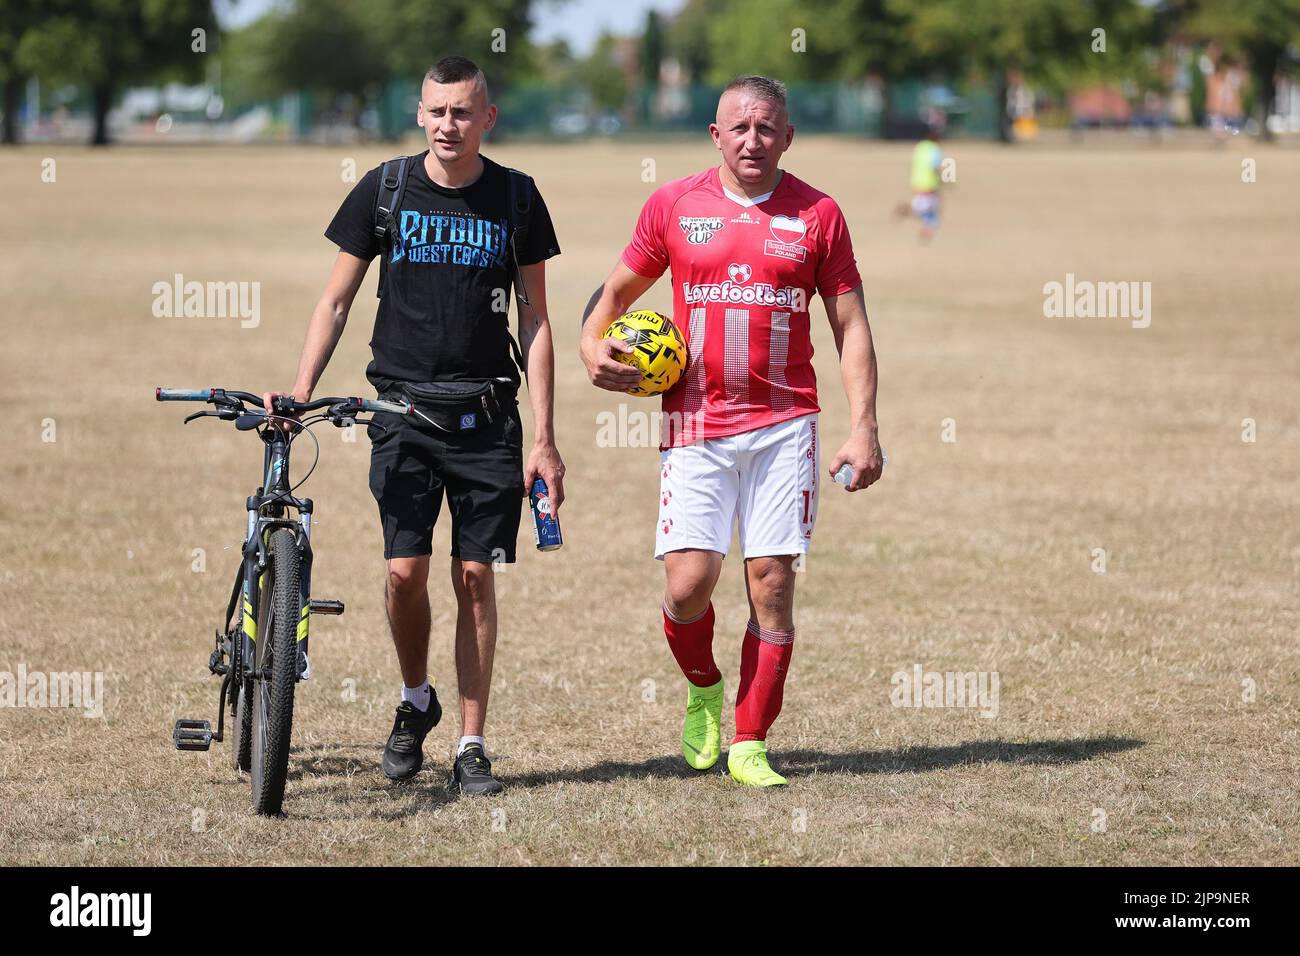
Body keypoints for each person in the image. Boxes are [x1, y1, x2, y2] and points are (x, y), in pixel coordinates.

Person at [266, 55, 564, 796]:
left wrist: (546, 438)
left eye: (462, 112)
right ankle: (415, 700)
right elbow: (335, 301)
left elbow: (536, 322)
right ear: (420, 113)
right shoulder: (386, 188)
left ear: (487, 118)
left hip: (488, 418)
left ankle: (470, 745)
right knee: (403, 576)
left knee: (474, 577)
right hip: (399, 414)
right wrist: (301, 389)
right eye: (436, 111)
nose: (447, 125)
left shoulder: (518, 200)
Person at [579, 75, 883, 787]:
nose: (753, 139)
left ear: (787, 136)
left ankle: (750, 742)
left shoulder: (819, 214)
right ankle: (706, 687)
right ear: (715, 136)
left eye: (767, 128)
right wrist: (593, 344)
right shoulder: (674, 205)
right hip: (696, 422)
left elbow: (852, 326)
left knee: (771, 582)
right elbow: (617, 290)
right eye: (739, 128)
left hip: (785, 425)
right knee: (689, 586)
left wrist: (863, 426)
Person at [895, 111, 945, 241]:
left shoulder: (920, 147)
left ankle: (926, 232)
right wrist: (942, 179)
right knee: (926, 209)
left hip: (918, 183)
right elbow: (935, 167)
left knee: (931, 212)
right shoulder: (935, 149)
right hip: (930, 184)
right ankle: (906, 210)